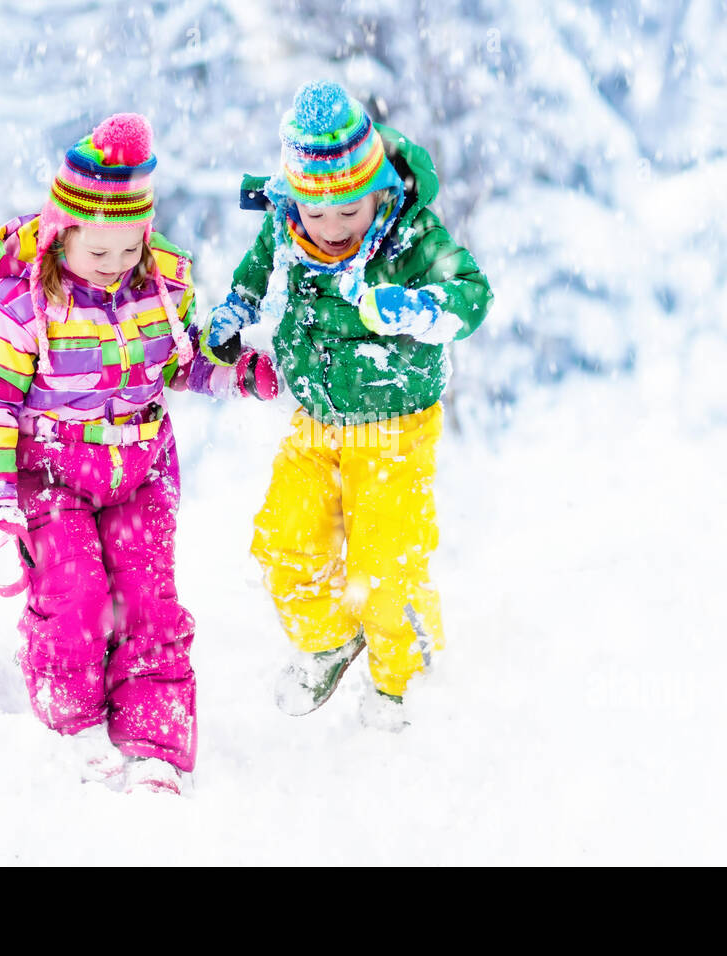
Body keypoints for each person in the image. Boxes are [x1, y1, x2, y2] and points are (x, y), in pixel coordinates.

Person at [0, 113, 278, 793]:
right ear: (61, 233)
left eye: (131, 251)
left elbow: (181, 363)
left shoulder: (157, 287)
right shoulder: (18, 308)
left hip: (142, 473)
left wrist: (237, 373)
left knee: (148, 602)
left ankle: (155, 740)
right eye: (100, 255)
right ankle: (73, 722)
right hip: (53, 474)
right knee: (76, 596)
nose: (117, 267)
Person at [202, 82, 492, 730]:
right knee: (284, 541)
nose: (331, 229)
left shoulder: (409, 235)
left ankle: (404, 681)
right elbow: (258, 266)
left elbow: (473, 295)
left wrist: (421, 309)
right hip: (314, 427)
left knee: (385, 568)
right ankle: (328, 639)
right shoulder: (290, 222)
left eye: (348, 212)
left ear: (377, 191)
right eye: (316, 213)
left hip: (396, 429)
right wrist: (237, 308)